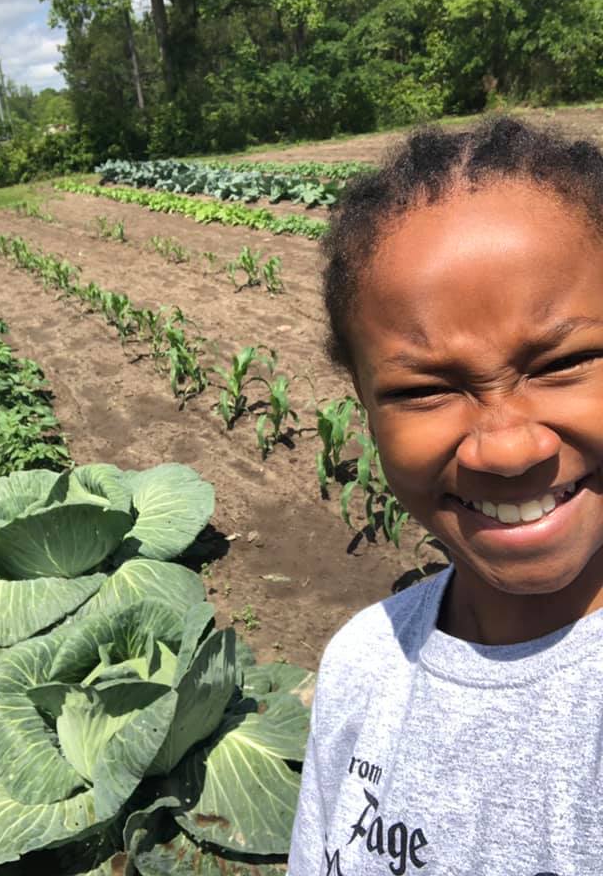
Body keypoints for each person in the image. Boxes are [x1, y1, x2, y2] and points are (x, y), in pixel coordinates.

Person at [287, 116, 603, 876]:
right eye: (425, 390)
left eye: (564, 362)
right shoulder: (364, 664)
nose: (506, 444)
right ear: (361, 406)